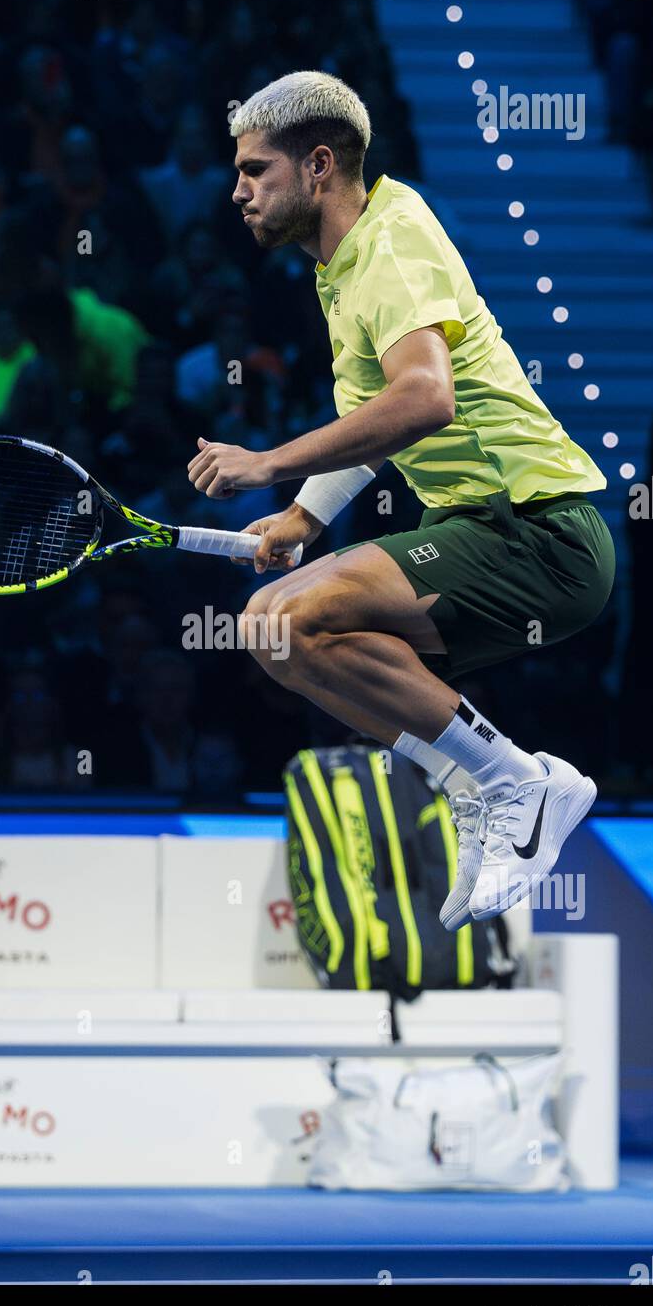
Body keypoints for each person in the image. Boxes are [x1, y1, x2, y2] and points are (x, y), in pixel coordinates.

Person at [188, 71, 615, 928]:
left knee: (293, 620)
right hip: (483, 531)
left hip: (539, 533)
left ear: (317, 166)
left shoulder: (390, 243)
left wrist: (268, 464)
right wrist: (308, 515)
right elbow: (378, 423)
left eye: (254, 170)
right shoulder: (342, 268)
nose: (236, 191)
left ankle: (513, 786)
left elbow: (424, 401)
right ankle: (492, 782)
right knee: (274, 629)